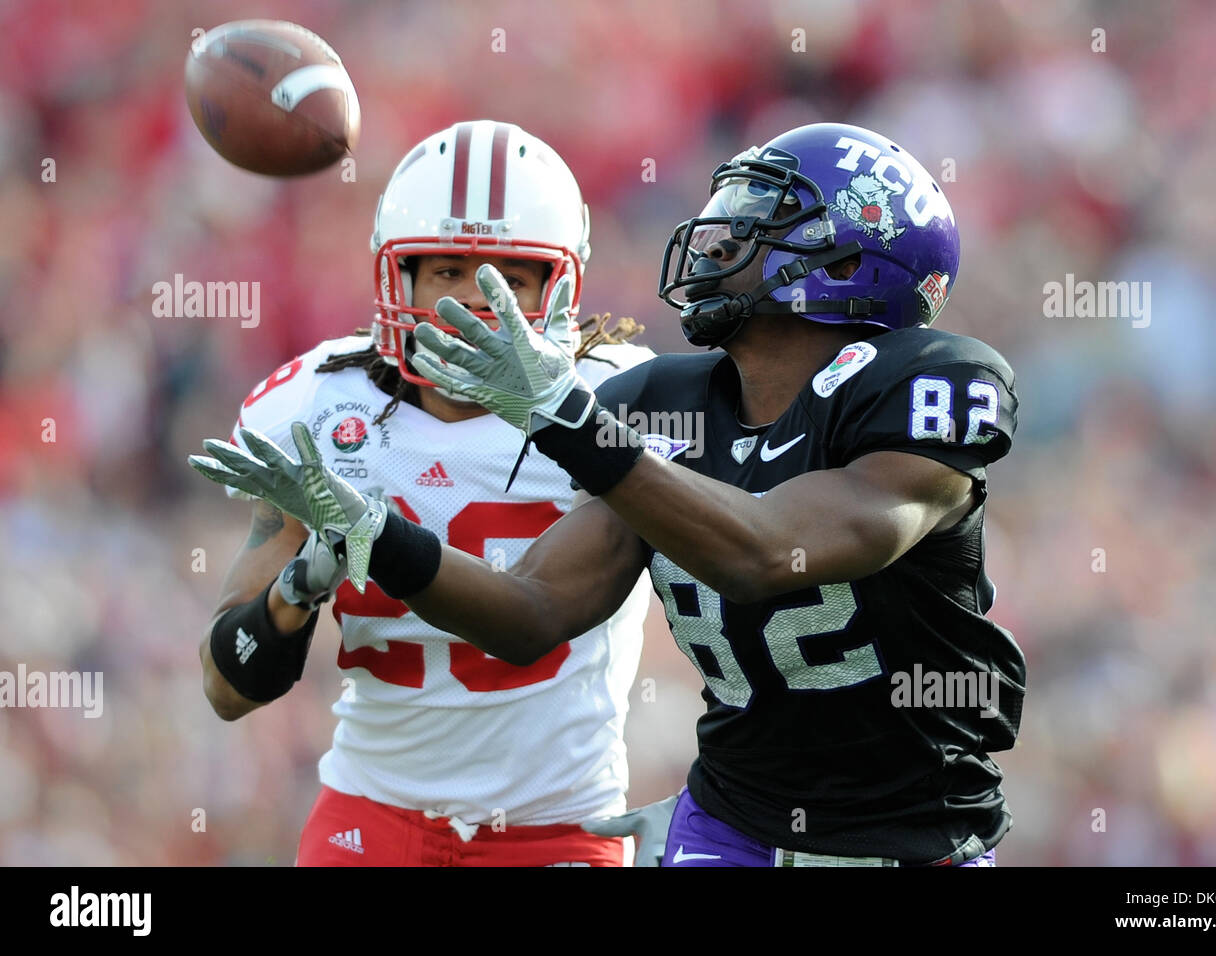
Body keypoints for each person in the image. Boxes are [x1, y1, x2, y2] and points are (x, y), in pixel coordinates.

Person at [194, 122, 1024, 867]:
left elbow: (771, 551)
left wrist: (567, 419)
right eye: (729, 207)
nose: (716, 237)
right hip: (726, 827)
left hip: (910, 838)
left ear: (843, 266)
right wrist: (375, 536)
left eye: (755, 220)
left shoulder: (931, 387)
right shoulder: (661, 397)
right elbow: (531, 615)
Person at [195, 120, 653, 867]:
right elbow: (226, 689)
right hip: (371, 817)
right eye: (446, 271)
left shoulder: (618, 405)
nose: (474, 303)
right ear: (397, 279)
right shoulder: (317, 409)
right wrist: (297, 587)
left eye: (510, 278)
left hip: (559, 828)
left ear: (560, 288)